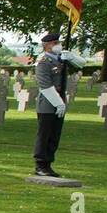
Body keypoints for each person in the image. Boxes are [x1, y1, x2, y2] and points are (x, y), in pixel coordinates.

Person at [33, 32, 85, 177]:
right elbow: (45, 85)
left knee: (55, 135)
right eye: (55, 43)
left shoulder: (61, 59)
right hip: (48, 103)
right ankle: (40, 165)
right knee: (45, 134)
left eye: (58, 42)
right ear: (47, 46)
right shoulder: (43, 62)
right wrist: (58, 104)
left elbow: (82, 64)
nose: (58, 45)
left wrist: (72, 56)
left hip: (60, 100)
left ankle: (48, 164)